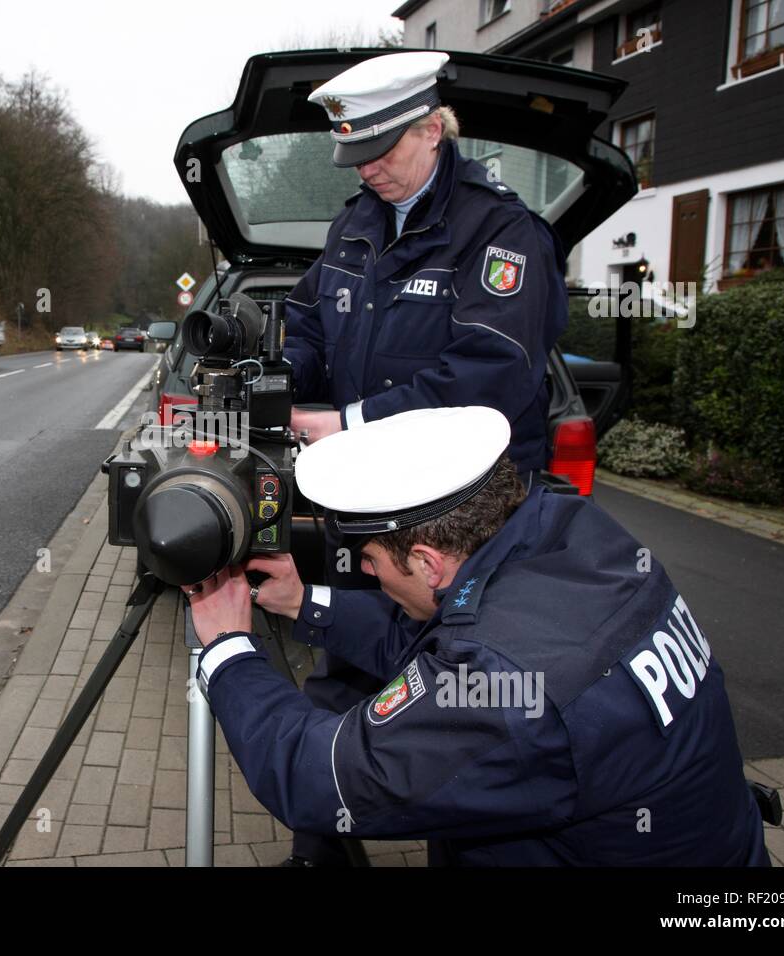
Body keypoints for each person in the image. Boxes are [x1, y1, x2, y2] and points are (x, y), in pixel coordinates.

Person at [187, 406, 770, 866]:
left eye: (370, 561)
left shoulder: (509, 688)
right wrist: (305, 601)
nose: (366, 573)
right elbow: (445, 642)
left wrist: (229, 651)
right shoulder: (571, 532)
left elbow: (323, 777)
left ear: (428, 561)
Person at [279, 50, 570, 866]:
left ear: (434, 129)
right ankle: (325, 852)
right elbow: (308, 322)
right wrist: (278, 380)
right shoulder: (354, 223)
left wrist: (350, 423)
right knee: (342, 671)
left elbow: (492, 374)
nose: (367, 168)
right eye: (355, 156)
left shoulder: (501, 230)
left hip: (471, 513)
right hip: (364, 501)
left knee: (472, 699)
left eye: (383, 151)